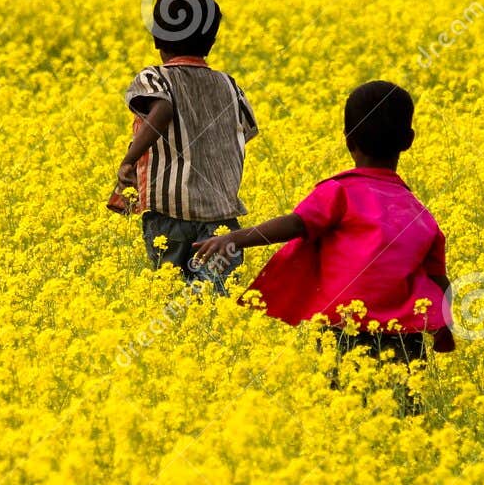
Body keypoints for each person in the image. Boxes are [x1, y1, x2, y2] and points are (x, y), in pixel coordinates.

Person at [192, 80, 455, 367]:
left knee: (341, 391)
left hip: (344, 330)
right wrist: (445, 325)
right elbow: (438, 279)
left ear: (348, 139)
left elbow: (295, 224)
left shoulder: (339, 191)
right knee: (403, 395)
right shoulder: (420, 213)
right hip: (405, 337)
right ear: (408, 140)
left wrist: (234, 238)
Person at [113, 0, 257, 288]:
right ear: (212, 42)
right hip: (221, 221)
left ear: (156, 38)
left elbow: (162, 108)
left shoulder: (155, 78)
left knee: (172, 291)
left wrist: (130, 159)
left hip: (169, 216)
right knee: (214, 295)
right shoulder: (230, 85)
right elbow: (245, 131)